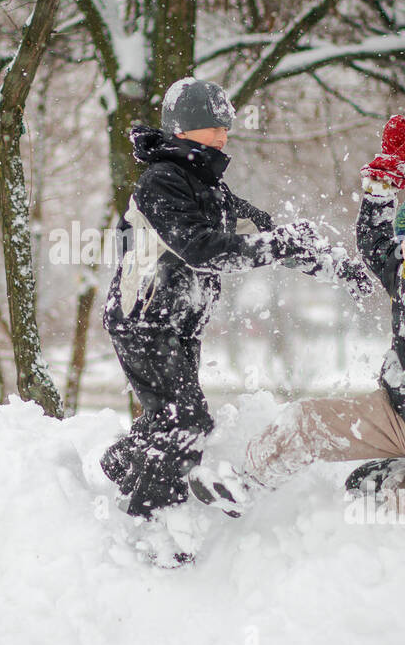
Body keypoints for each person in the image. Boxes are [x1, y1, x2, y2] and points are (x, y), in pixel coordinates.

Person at [189, 114, 405, 528]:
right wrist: (383, 181)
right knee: (305, 423)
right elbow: (375, 241)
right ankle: (244, 482)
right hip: (395, 409)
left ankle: (387, 484)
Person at [100, 77, 372, 546]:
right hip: (143, 321)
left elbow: (267, 236)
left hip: (178, 325)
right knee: (186, 422)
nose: (224, 136)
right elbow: (202, 249)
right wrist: (276, 243)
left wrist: (338, 268)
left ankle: (122, 463)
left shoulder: (210, 188)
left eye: (226, 126)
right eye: (213, 126)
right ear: (184, 130)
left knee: (170, 416)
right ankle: (151, 527)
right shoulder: (161, 183)